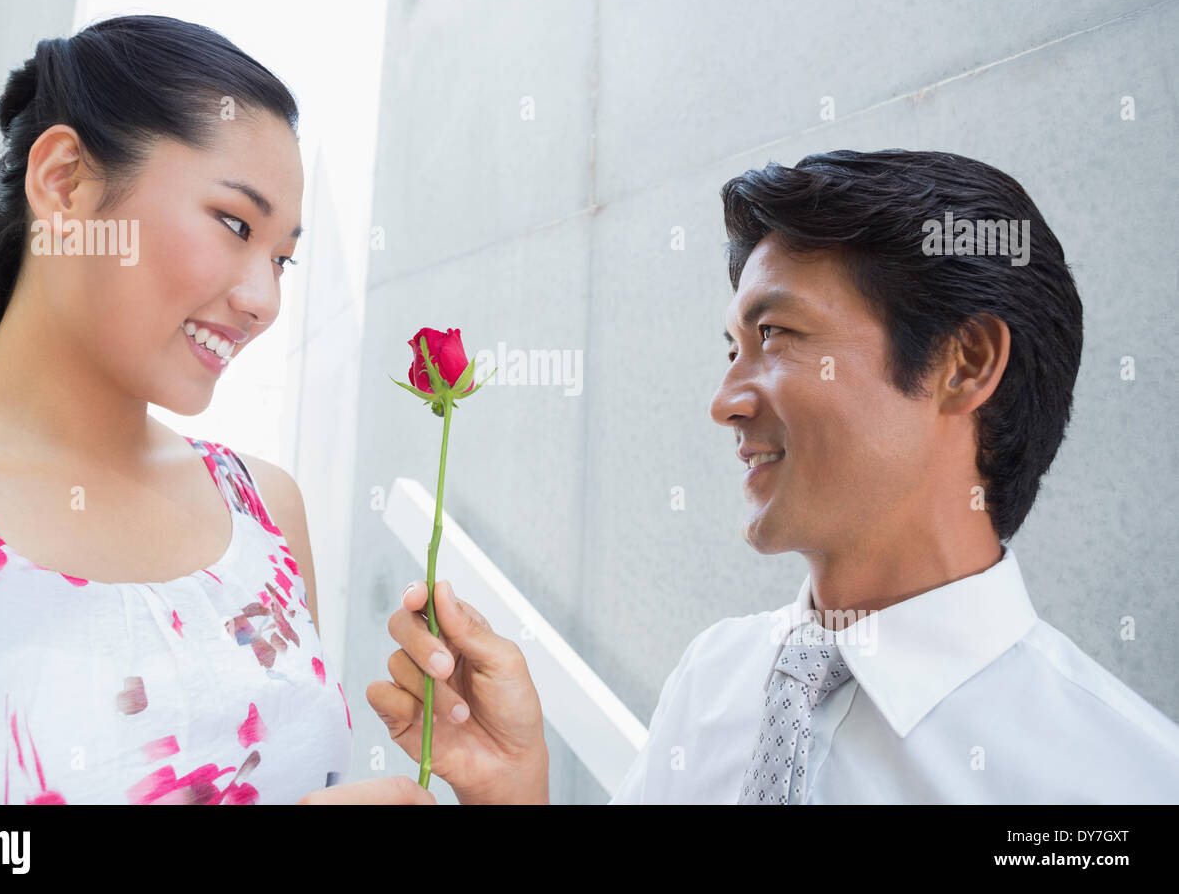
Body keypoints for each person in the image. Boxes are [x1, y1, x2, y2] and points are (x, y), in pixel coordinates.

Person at [369, 149, 1179, 803]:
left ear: (963, 364)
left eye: (779, 335)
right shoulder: (715, 677)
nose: (724, 402)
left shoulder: (1121, 782)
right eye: (733, 350)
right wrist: (511, 789)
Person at [0, 15, 432, 804]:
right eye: (235, 224)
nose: (264, 298)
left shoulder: (266, 512)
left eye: (282, 258)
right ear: (64, 180)